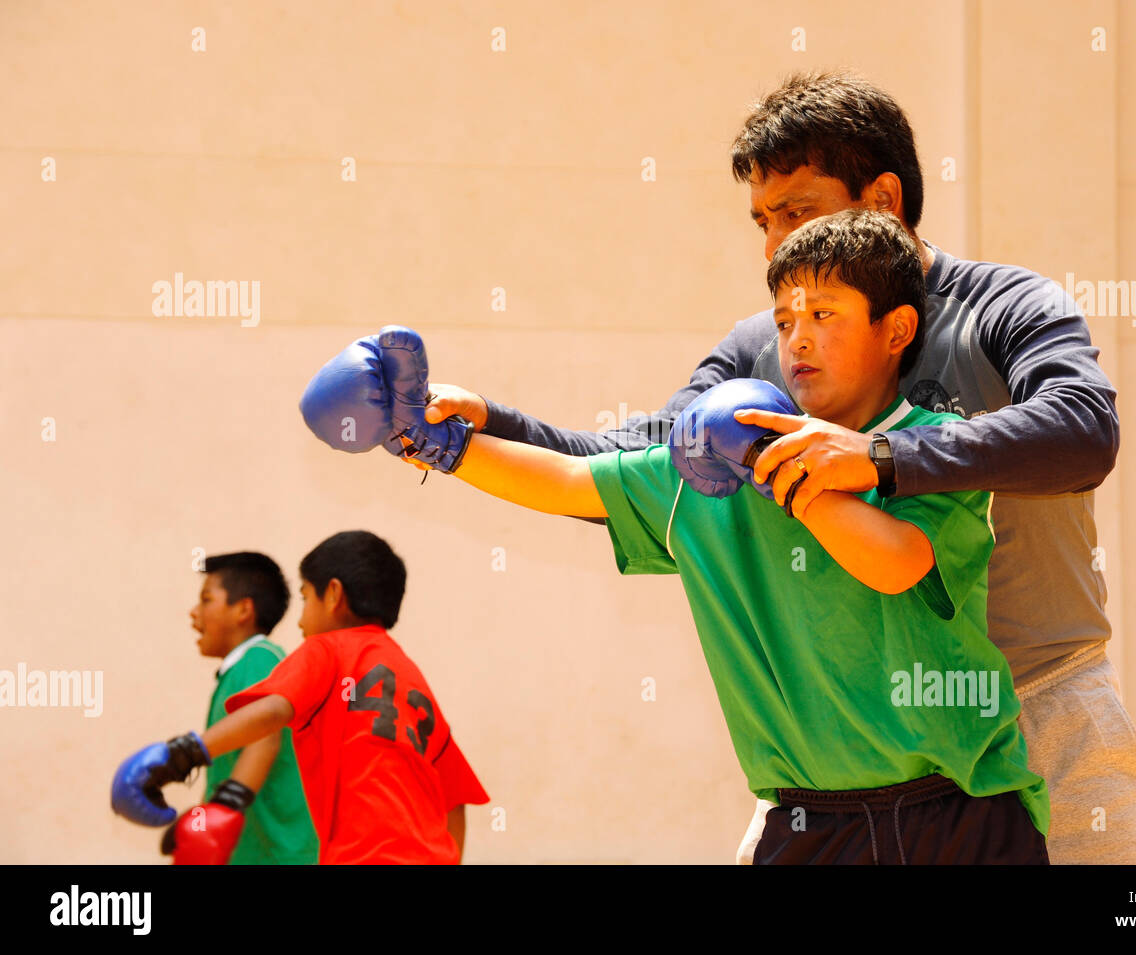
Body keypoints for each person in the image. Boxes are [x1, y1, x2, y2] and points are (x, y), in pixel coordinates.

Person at [412, 72, 1136, 865]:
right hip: (849, 754)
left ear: (881, 200)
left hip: (1039, 699)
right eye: (762, 222)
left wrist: (879, 457)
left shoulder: (1006, 303)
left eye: (797, 212)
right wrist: (479, 428)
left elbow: (1085, 430)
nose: (775, 245)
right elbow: (643, 460)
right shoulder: (767, 346)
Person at [301, 210, 1051, 864]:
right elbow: (567, 480)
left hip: (960, 814)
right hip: (808, 822)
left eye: (824, 315)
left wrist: (768, 466)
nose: (798, 340)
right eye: (785, 320)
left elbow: (893, 563)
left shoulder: (928, 447)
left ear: (896, 331)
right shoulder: (710, 459)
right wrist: (443, 442)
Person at [112, 531, 489, 865]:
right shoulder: (411, 677)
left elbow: (272, 712)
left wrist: (179, 756)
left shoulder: (325, 648)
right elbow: (454, 799)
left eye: (306, 597)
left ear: (334, 596)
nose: (299, 620)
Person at [166, 551, 317, 864]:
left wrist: (221, 810)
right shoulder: (237, 671)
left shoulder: (260, 659)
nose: (194, 613)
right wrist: (199, 816)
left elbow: (265, 737)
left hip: (278, 855)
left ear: (243, 610)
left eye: (206, 600)